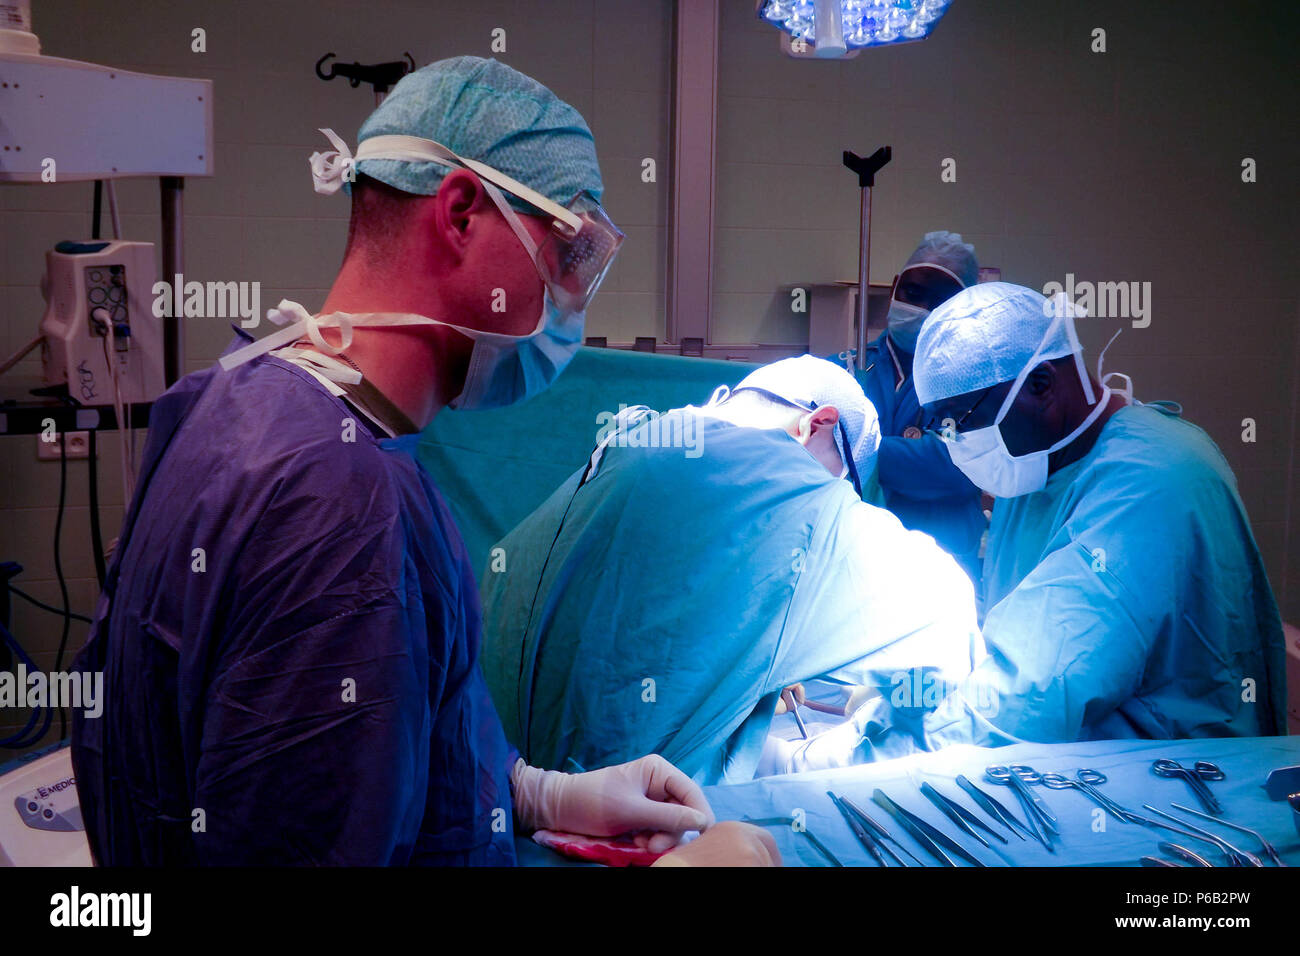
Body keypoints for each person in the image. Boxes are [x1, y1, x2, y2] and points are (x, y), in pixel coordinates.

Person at [70, 56, 776, 867]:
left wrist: (539, 792)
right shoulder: (336, 500)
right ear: (462, 212)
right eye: (569, 255)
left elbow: (365, 758)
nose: (574, 302)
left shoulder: (234, 397)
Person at [773, 282, 1288, 770]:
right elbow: (1009, 627)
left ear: (1042, 384)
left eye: (959, 421)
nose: (951, 443)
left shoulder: (1155, 484)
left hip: (1164, 788)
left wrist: (824, 760)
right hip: (1070, 760)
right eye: (939, 426)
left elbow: (1022, 701)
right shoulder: (1039, 464)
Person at [480, 355, 983, 785]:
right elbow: (948, 630)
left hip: (512, 800)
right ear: (818, 423)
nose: (833, 495)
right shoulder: (788, 489)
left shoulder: (631, 444)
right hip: (646, 833)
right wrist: (842, 743)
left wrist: (750, 669)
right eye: (841, 479)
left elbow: (639, 632)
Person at [848, 231, 985, 582]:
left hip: (944, 566)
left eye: (942, 301)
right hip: (858, 562)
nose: (923, 308)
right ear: (894, 286)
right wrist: (913, 450)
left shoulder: (976, 385)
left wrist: (855, 447)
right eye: (913, 292)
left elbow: (956, 464)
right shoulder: (847, 367)